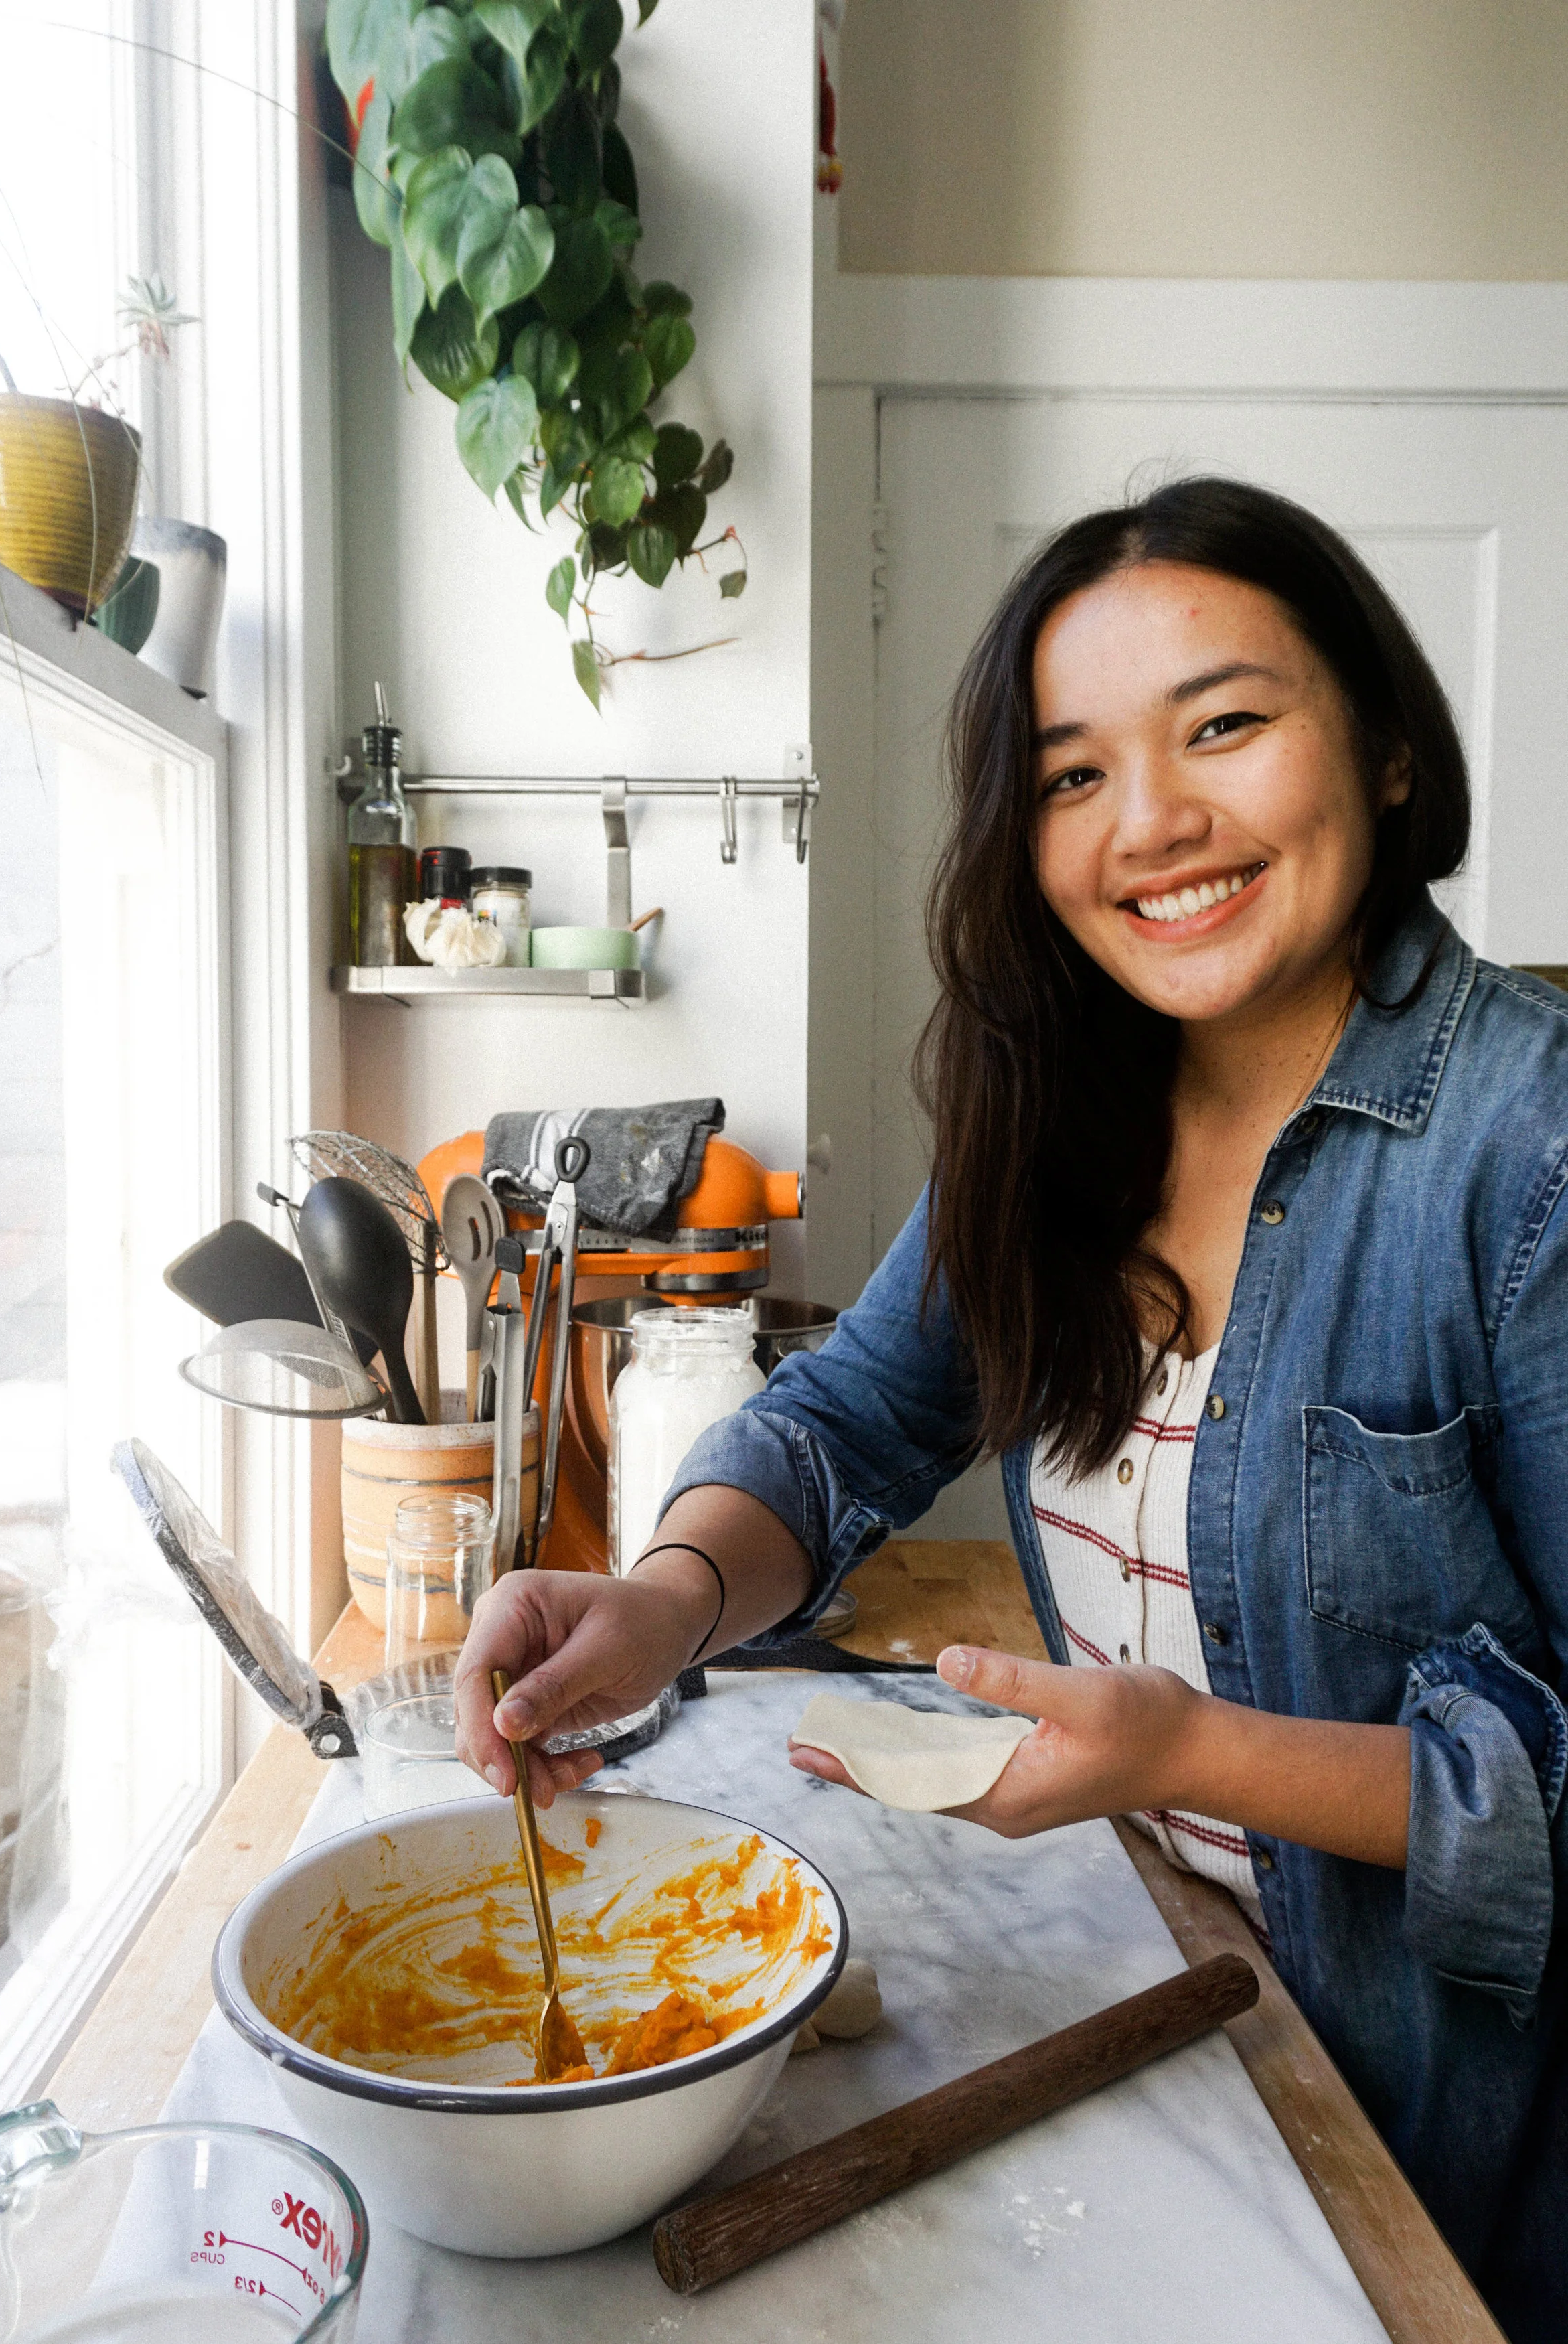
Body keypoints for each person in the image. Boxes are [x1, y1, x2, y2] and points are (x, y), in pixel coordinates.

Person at [455, 478, 1568, 2338]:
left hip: (1470, 2176)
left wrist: (1188, 1752)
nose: (1153, 823)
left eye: (1222, 725)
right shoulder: (1060, 1116)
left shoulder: (1527, 1155)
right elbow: (845, 1424)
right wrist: (654, 1601)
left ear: (1379, 748)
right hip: (1195, 2020)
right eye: (1070, 776)